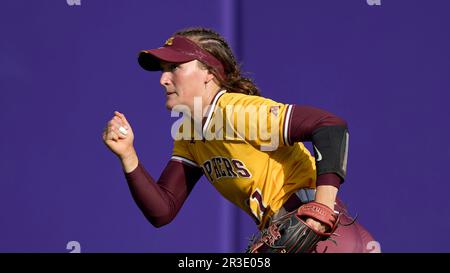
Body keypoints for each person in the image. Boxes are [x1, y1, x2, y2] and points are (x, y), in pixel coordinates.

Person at [102, 27, 379, 253]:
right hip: (292, 236)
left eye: (174, 67)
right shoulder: (190, 133)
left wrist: (322, 210)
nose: (163, 79)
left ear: (209, 74)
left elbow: (330, 126)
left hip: (325, 237)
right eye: (163, 68)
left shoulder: (235, 110)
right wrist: (129, 156)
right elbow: (163, 210)